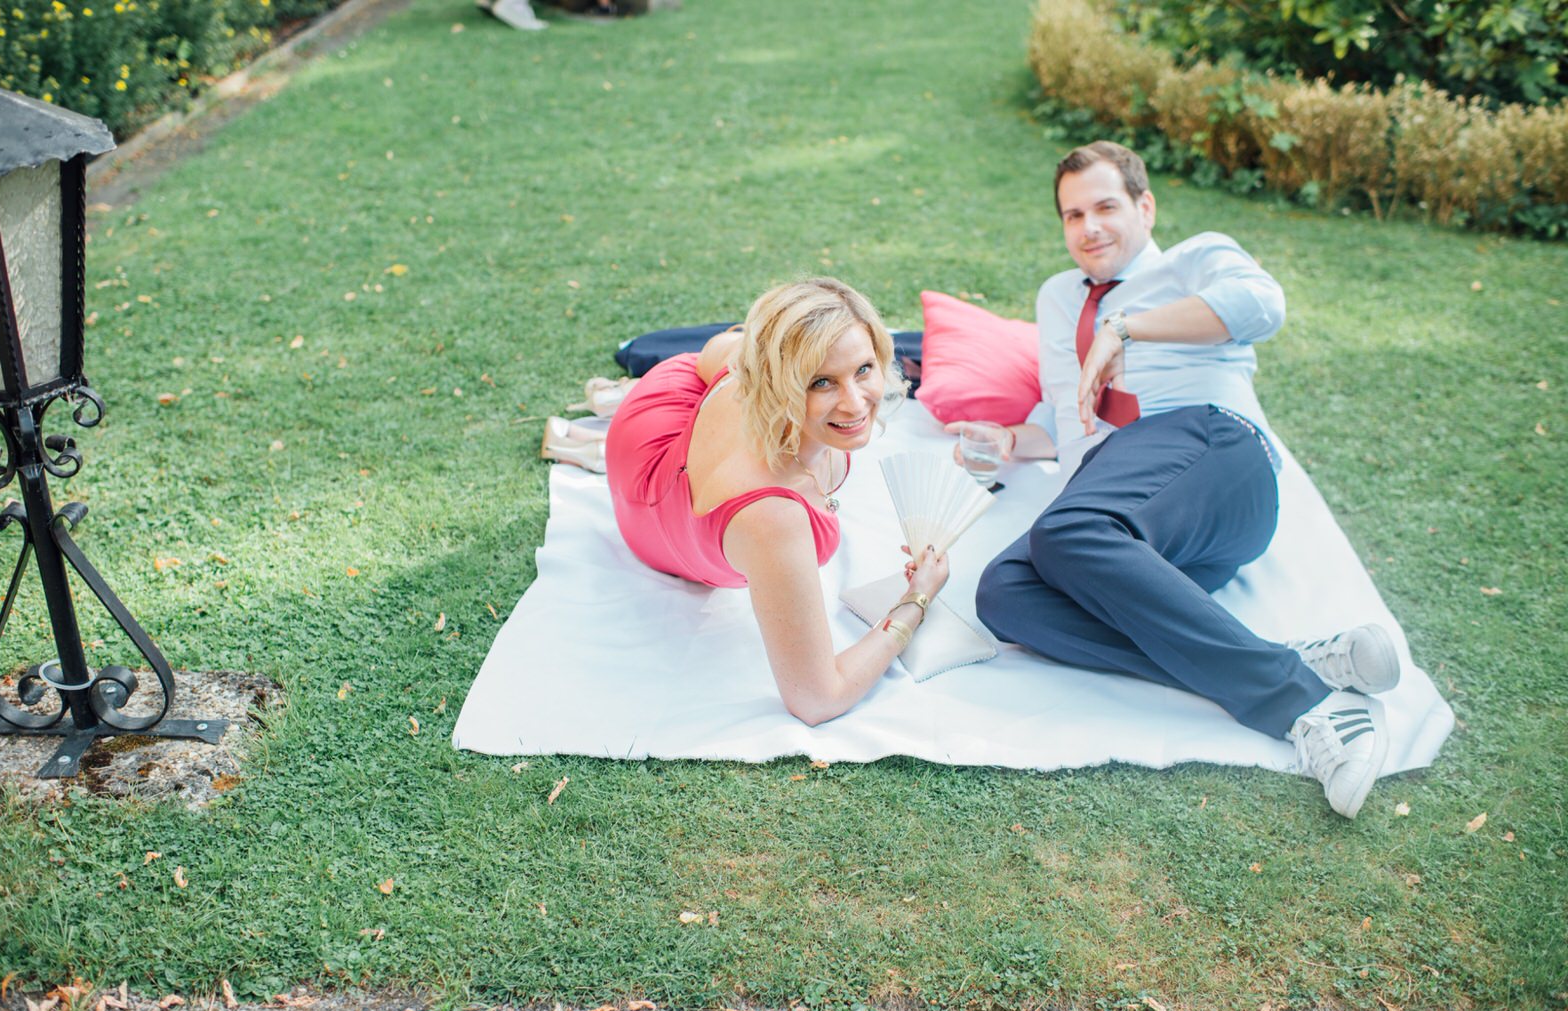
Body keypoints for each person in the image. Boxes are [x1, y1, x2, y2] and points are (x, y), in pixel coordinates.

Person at [974, 141, 1400, 819]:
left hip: (1216, 451)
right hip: (1131, 506)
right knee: (1005, 594)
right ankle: (1280, 661)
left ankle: (1307, 706)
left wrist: (1127, 329)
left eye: (1107, 206)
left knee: (1066, 530)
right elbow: (1068, 415)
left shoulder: (1193, 257)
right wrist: (1010, 439)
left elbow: (1263, 303)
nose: (1089, 228)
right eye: (1072, 214)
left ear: (1145, 206)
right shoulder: (1057, 297)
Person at [544, 278, 949, 725]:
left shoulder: (752, 370)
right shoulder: (774, 518)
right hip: (652, 480)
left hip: (675, 423)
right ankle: (616, 418)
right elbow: (817, 700)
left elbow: (718, 347)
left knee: (726, 353)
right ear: (775, 383)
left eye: (864, 369)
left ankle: (613, 414)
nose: (855, 403)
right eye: (821, 382)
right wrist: (917, 598)